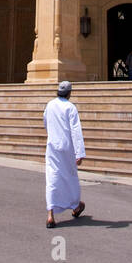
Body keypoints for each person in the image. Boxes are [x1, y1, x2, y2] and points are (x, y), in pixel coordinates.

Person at [44, 81, 86, 228]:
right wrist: (79, 152)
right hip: (67, 148)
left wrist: (52, 135)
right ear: (69, 93)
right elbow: (76, 131)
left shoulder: (50, 105)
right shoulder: (70, 107)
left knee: (52, 177)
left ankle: (50, 215)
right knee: (70, 177)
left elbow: (46, 122)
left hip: (52, 146)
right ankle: (75, 206)